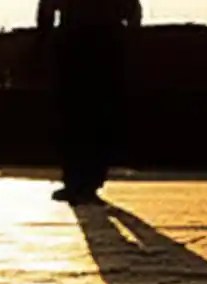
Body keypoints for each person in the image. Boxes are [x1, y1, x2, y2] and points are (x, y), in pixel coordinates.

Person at [37, 0, 142, 204]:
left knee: (78, 118)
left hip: (82, 43)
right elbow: (133, 11)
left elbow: (47, 9)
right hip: (96, 44)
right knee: (91, 118)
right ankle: (85, 181)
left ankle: (81, 181)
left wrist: (44, 38)